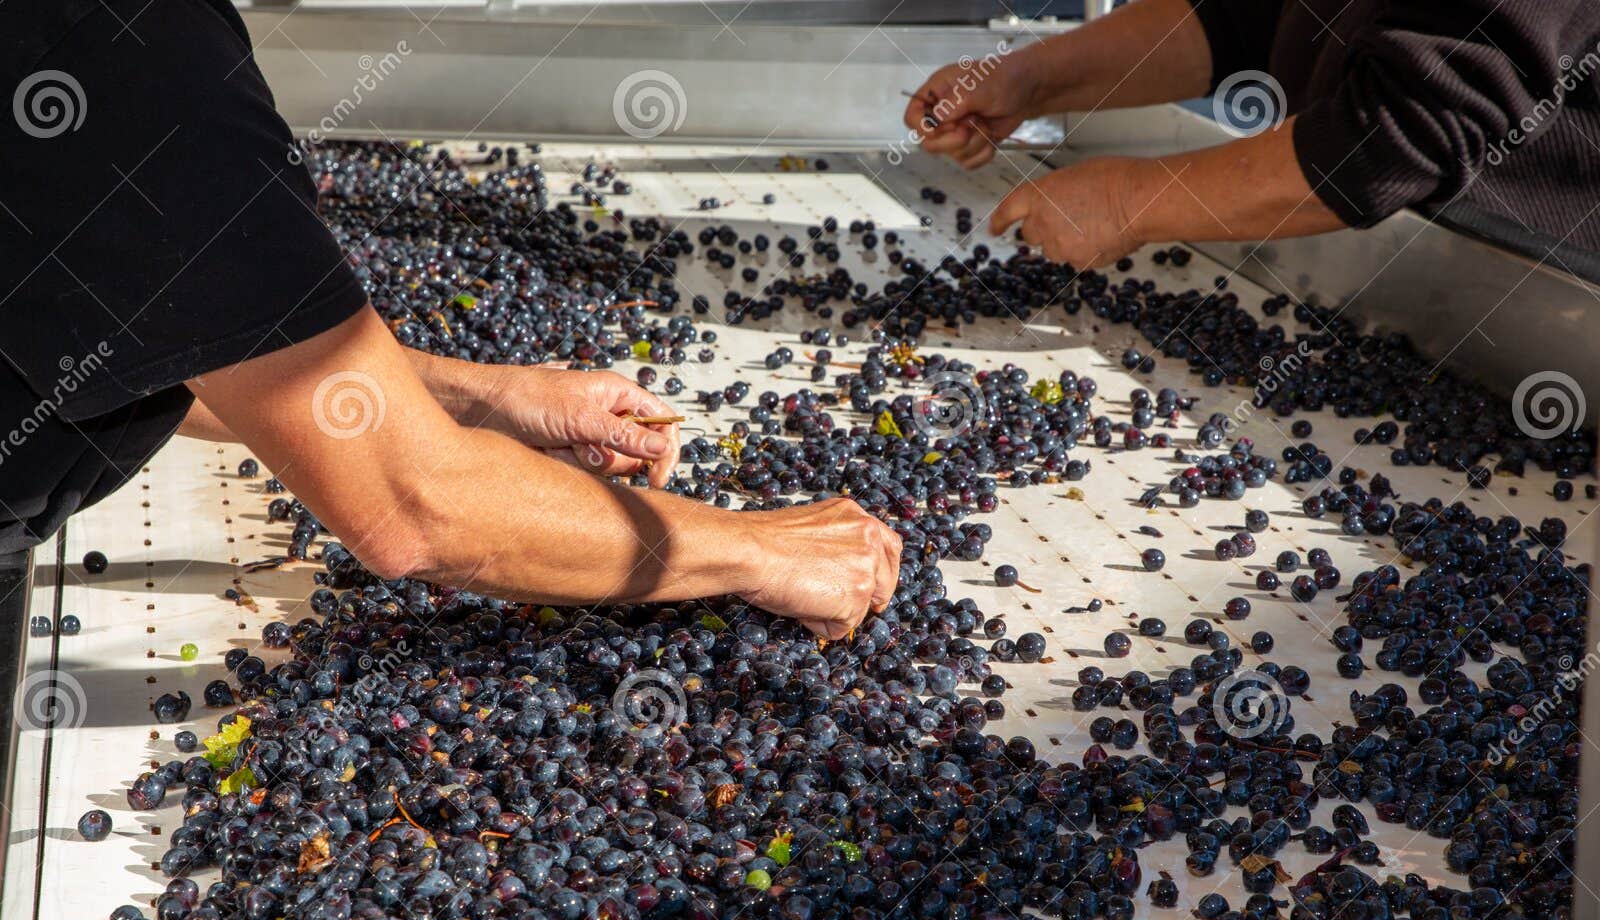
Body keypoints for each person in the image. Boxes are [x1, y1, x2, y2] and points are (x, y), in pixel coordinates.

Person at [0, 0, 899, 640]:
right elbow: (413, 509)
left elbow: (171, 342)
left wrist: (479, 396)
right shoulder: (128, 54)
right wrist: (754, 547)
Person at [907, 0, 1600, 271]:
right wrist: (1032, 78)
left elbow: (1396, 134)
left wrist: (1126, 202)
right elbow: (1257, 19)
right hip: (1390, 276)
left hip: (1549, 312)